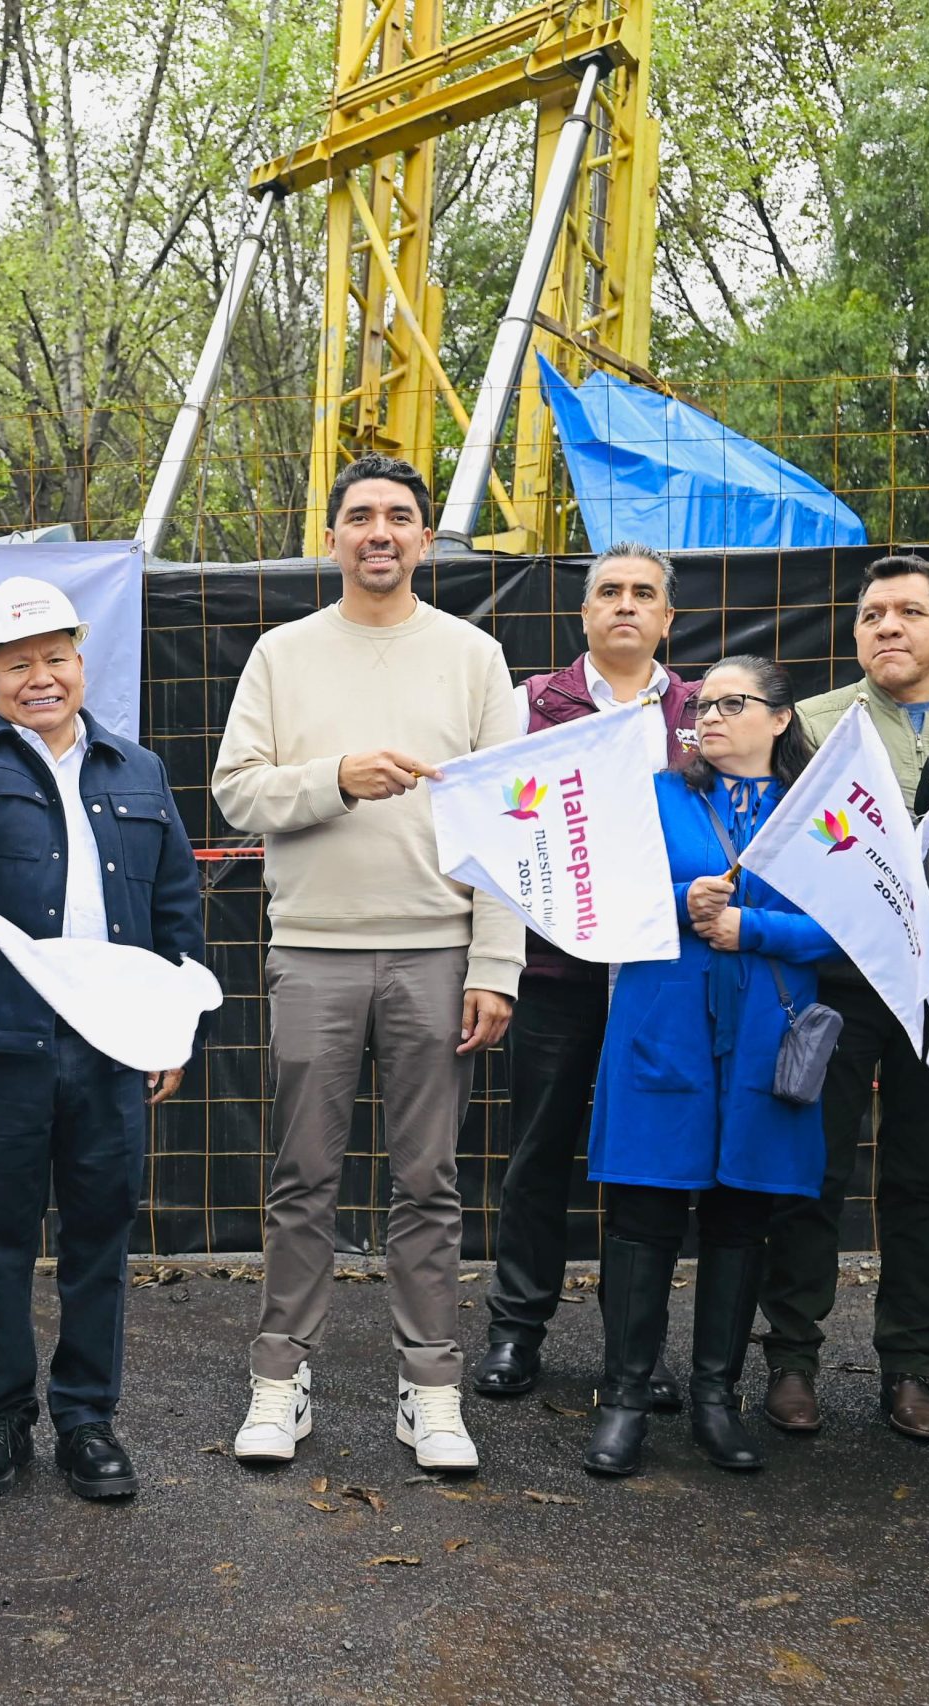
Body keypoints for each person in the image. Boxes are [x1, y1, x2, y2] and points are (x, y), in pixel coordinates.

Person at [213, 454, 521, 1473]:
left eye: (397, 516)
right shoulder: (282, 654)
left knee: (429, 1183)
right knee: (302, 1177)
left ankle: (431, 1387)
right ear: (333, 536)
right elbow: (235, 792)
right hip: (313, 951)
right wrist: (333, 778)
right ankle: (279, 1377)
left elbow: (508, 820)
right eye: (359, 516)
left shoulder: (474, 657)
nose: (378, 531)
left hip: (439, 951)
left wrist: (496, 962)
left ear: (425, 539)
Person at [0, 575, 204, 1502]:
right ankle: (0, 1420)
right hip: (5, 1043)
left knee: (99, 1237)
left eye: (54, 658)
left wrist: (173, 1026)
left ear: (81, 661)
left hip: (112, 1045)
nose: (39, 678)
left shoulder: (139, 771)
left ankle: (87, 1420)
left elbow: (176, 906)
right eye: (16, 665)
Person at [757, 555, 929, 1441]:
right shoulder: (813, 726)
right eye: (871, 615)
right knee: (810, 1173)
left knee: (922, 1183)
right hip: (834, 982)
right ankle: (791, 1359)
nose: (887, 627)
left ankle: (910, 1368)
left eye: (908, 612)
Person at [579, 656, 837, 1479]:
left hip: (763, 1036)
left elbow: (849, 928)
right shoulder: (654, 797)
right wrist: (680, 899)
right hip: (665, 1028)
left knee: (740, 1216)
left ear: (781, 718)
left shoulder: (821, 812)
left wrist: (752, 929)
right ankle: (624, 1400)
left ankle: (716, 1400)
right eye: (703, 705)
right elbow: (598, 900)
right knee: (644, 1211)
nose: (710, 717)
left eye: (733, 703)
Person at [473, 543, 700, 1406]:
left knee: (648, 1165)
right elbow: (495, 823)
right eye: (609, 591)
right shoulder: (531, 703)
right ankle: (515, 1332)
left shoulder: (702, 710)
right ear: (584, 612)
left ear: (667, 617)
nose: (625, 604)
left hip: (662, 976)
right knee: (539, 1154)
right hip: (555, 973)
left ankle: (634, 1352)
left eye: (643, 593)